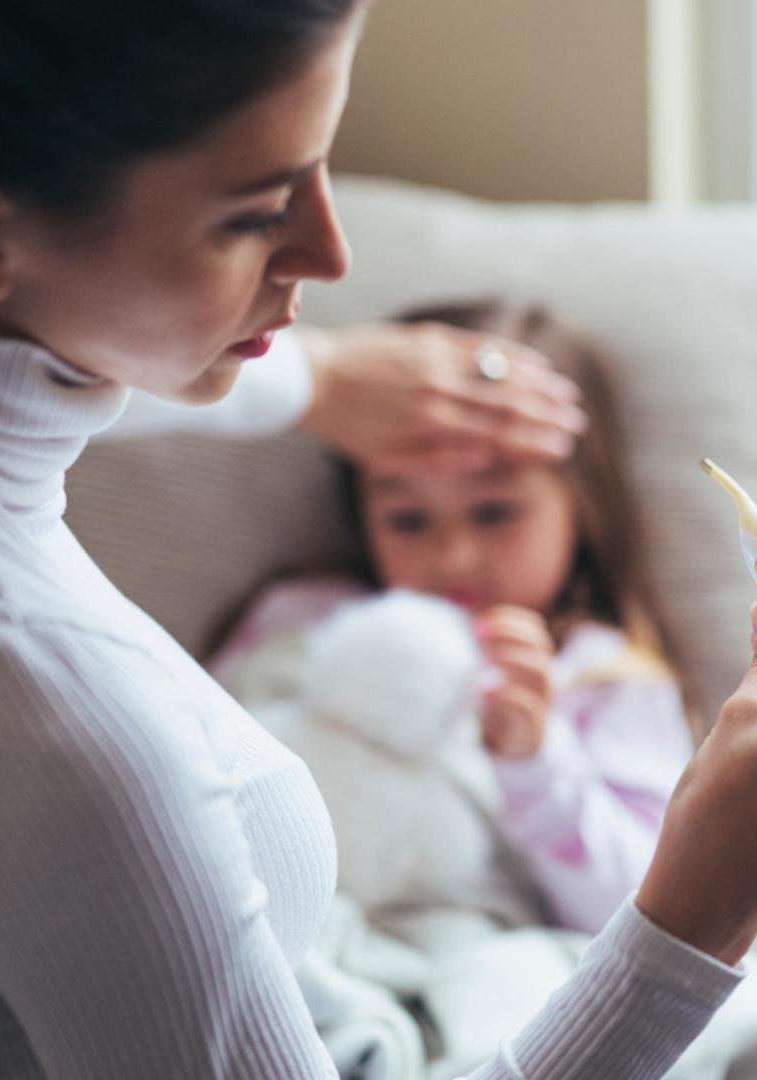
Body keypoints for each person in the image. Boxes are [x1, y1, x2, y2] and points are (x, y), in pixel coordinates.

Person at [0, 1, 757, 1077]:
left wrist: (318, 380)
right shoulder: (61, 735)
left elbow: (36, 368)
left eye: (326, 163)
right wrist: (701, 915)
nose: (330, 253)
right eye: (252, 211)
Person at [210, 300, 693, 935]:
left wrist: (538, 763)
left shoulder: (603, 676)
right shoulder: (301, 617)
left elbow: (650, 911)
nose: (453, 557)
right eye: (408, 519)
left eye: (495, 512)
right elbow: (189, 766)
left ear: (583, 504)